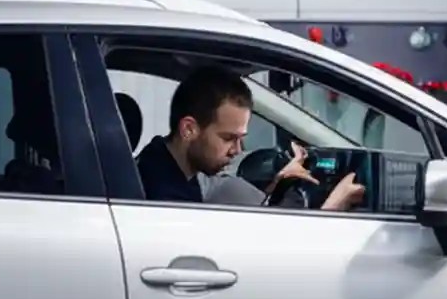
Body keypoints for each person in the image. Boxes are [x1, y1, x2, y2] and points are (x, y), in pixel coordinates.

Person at [135, 65, 365, 211]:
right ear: (189, 129)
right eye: (228, 138)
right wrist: (334, 205)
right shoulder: (163, 196)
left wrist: (278, 185)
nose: (236, 150)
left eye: (240, 138)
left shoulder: (164, 163)